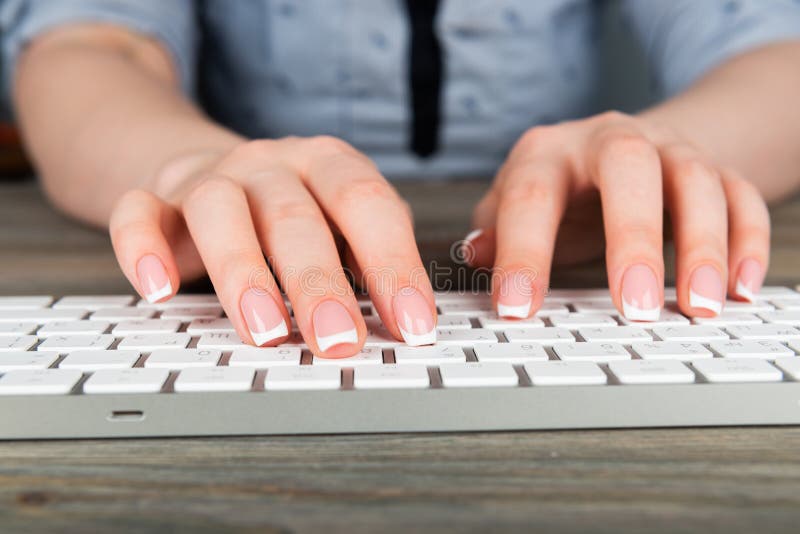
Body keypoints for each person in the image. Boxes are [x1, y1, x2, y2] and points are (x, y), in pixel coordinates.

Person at [2, 0, 800, 358]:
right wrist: (191, 165)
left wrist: (661, 156)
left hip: (561, 236)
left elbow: (771, 47)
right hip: (257, 231)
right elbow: (92, 48)